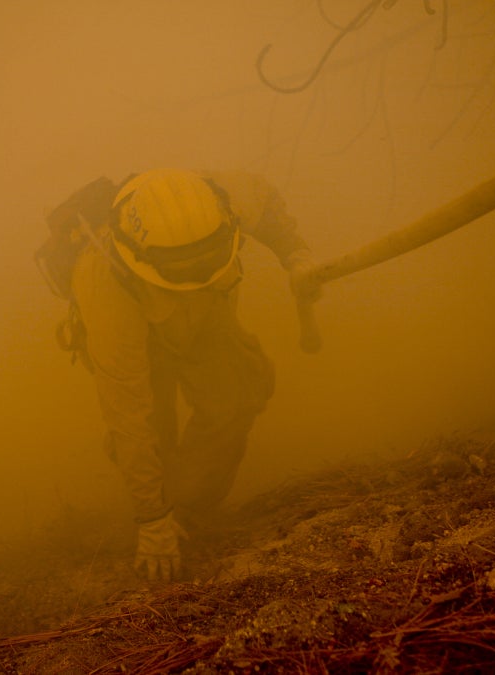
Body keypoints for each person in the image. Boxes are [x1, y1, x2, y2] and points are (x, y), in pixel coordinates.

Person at [68, 168, 315, 581]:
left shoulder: (227, 198)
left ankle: (193, 506)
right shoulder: (104, 283)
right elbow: (129, 415)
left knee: (237, 397)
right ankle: (167, 509)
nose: (198, 275)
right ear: (143, 258)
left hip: (207, 320)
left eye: (208, 259)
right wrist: (152, 519)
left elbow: (268, 208)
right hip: (139, 335)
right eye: (183, 269)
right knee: (153, 431)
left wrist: (296, 255)